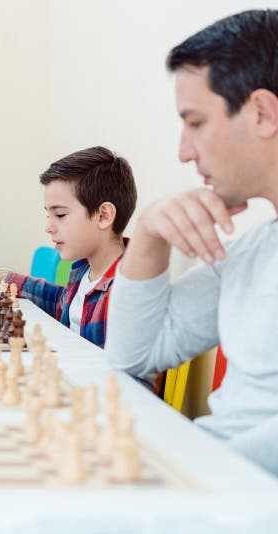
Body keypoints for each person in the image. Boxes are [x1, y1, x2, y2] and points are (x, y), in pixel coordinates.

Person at [106, 9, 278, 476]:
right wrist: (147, 236)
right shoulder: (253, 251)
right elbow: (132, 357)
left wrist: (170, 471)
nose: (183, 151)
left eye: (196, 122)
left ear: (263, 113)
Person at [0, 146, 137, 348]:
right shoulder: (84, 270)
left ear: (103, 216)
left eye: (60, 215)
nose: (48, 228)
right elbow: (57, 300)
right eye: (48, 215)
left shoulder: (127, 291)